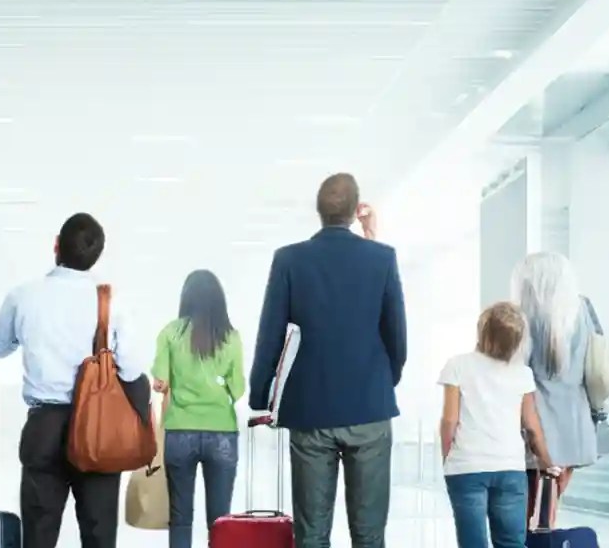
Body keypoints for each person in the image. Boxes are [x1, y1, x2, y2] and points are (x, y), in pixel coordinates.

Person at [249, 173, 407, 548]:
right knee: (369, 533)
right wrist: (387, 380)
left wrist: (260, 394)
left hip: (310, 411)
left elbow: (269, 333)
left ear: (318, 212)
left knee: (312, 533)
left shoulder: (289, 259)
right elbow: (396, 334)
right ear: (355, 211)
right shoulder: (382, 257)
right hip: (369, 407)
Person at [0, 213, 147, 548]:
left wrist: (21, 336)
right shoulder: (110, 303)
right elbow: (131, 370)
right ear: (96, 255)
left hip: (44, 425)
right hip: (99, 427)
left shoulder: (23, 296)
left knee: (39, 535)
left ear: (56, 245)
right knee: (99, 534)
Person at [439, 301, 557, 548]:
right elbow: (532, 427)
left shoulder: (457, 365)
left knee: (473, 544)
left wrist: (448, 456)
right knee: (511, 543)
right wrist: (547, 462)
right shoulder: (522, 374)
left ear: (482, 331)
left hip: (466, 467)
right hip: (509, 467)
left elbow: (450, 420)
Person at [151, 270, 245, 548]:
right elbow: (238, 390)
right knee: (220, 521)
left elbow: (160, 382)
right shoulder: (231, 337)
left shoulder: (170, 332)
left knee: (180, 517)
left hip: (180, 432)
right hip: (222, 435)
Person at [511, 252, 598, 525]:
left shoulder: (521, 316)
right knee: (548, 509)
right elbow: (597, 357)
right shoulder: (583, 309)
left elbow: (512, 371)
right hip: (574, 421)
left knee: (526, 511)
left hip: (534, 420)